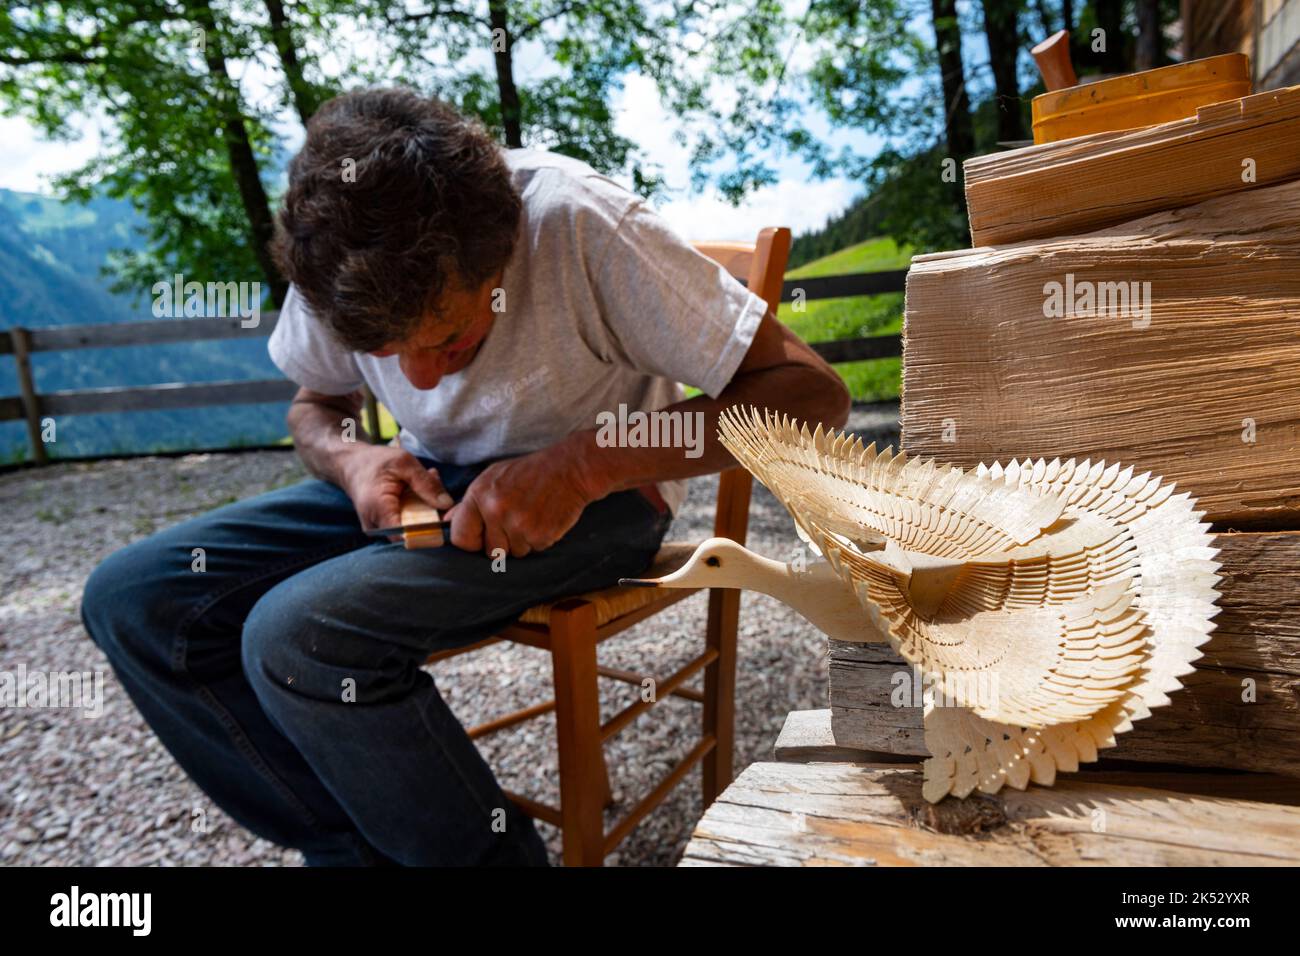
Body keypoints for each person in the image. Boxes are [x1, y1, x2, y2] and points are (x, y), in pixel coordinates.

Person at [80, 88, 851, 866]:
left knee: (299, 639)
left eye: (450, 339)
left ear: (500, 252)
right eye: (386, 355)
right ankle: (360, 851)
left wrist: (584, 465)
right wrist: (353, 459)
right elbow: (316, 407)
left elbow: (811, 397)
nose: (419, 377)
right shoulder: (338, 257)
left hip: (610, 492)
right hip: (432, 482)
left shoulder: (576, 222)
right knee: (135, 599)